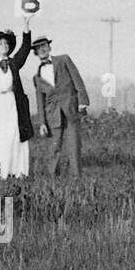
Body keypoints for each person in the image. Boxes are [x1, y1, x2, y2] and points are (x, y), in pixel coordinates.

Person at [30, 34, 90, 177]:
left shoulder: (64, 60)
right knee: (54, 147)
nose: (42, 50)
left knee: (73, 145)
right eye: (39, 48)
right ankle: (52, 179)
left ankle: (76, 178)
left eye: (44, 46)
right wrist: (42, 123)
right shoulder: (37, 77)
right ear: (36, 53)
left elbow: (77, 79)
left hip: (70, 108)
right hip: (53, 114)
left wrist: (83, 101)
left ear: (49, 47)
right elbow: (40, 101)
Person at [0, 17, 34, 178]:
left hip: (14, 104)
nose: (4, 46)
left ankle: (18, 172)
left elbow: (25, 49)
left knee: (15, 135)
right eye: (0, 44)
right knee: (1, 137)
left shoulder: (14, 63)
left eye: (6, 43)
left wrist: (26, 29)